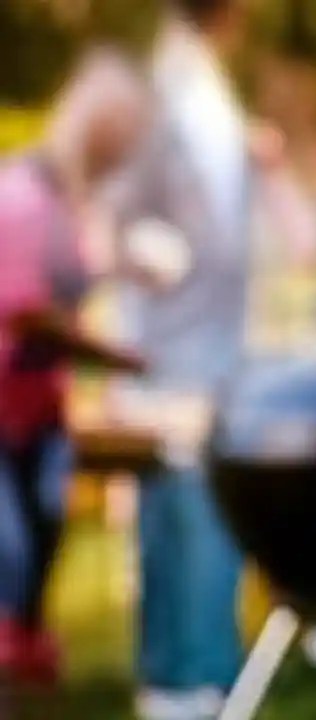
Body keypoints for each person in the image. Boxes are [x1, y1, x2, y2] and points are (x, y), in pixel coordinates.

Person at [111, 0, 316, 716]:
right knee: (186, 519)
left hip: (205, 353)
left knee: (189, 517)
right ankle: (185, 679)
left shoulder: (196, 93)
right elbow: (131, 224)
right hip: (175, 356)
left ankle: (186, 675)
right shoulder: (171, 96)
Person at [0, 48, 151, 686]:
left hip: (43, 408)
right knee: (5, 555)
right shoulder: (21, 193)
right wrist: (116, 358)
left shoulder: (77, 200)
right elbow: (23, 311)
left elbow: (80, 287)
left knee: (41, 541)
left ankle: (26, 661)